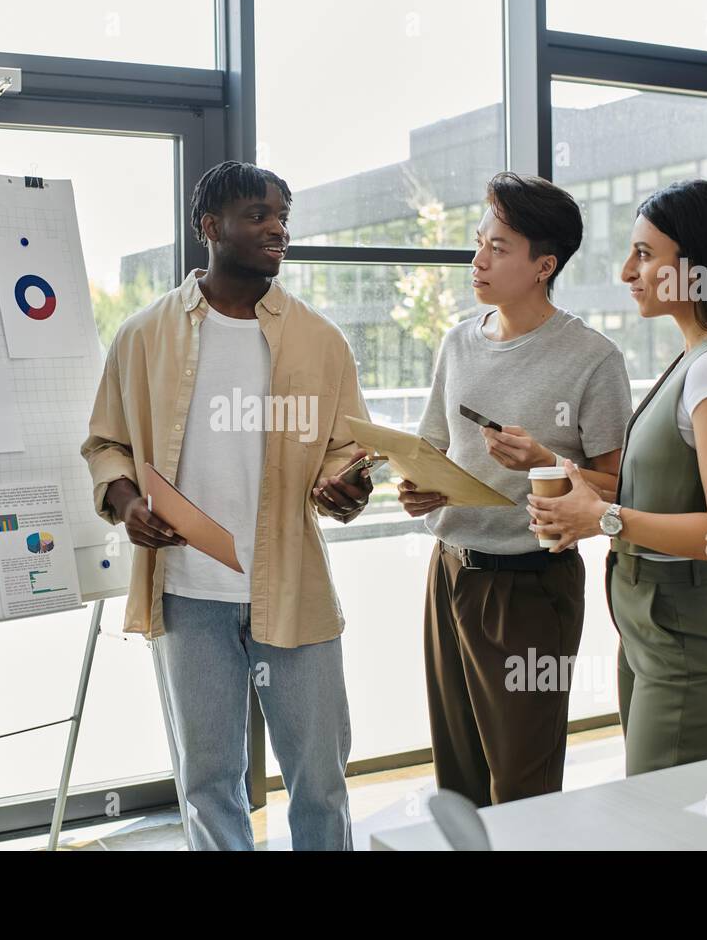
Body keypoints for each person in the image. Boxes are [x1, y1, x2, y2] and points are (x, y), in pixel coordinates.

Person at [81, 161, 371, 850]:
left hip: (293, 590)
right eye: (258, 215)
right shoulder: (143, 336)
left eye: (282, 215)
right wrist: (126, 508)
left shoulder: (319, 340)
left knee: (320, 780)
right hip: (189, 597)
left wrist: (347, 486)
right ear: (209, 228)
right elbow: (106, 445)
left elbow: (349, 452)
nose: (277, 229)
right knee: (209, 781)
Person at [527, 178, 707, 776]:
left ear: (695, 268)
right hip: (650, 633)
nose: (625, 271)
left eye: (644, 254)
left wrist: (605, 519)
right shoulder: (694, 360)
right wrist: (578, 482)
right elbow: (664, 494)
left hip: (687, 649)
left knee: (663, 829)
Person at [400, 171, 633, 807]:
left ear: (543, 265)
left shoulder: (593, 357)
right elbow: (436, 455)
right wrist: (423, 490)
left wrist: (545, 458)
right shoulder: (456, 342)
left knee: (523, 788)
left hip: (530, 585)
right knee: (460, 779)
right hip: (448, 571)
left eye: (499, 247)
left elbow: (618, 488)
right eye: (480, 242)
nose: (478, 259)